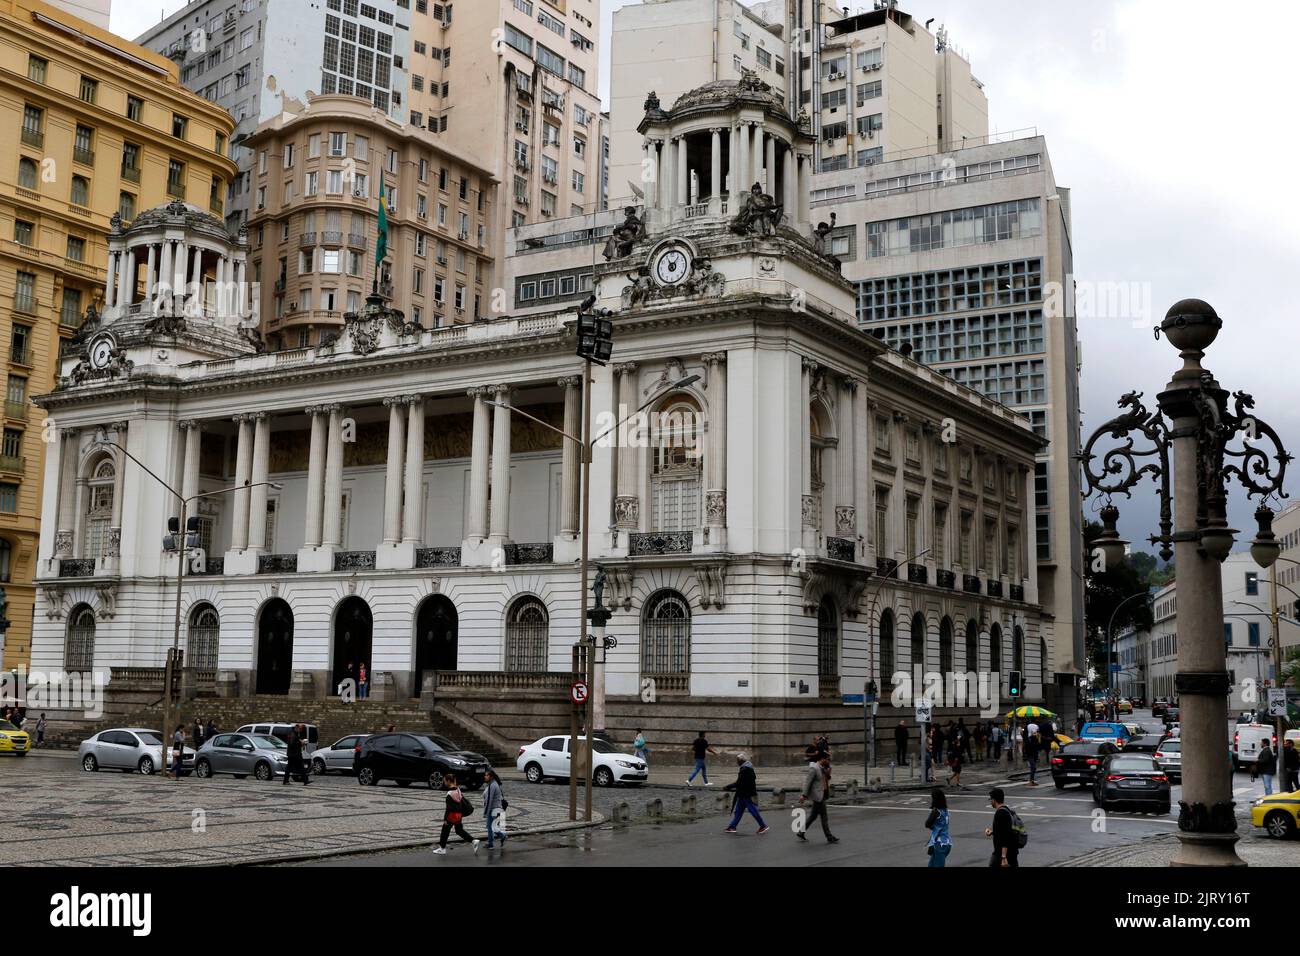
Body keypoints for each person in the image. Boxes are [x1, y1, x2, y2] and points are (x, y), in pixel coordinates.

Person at [433, 774, 480, 855]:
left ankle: (442, 848)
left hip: (451, 816)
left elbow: (449, 808)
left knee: (445, 831)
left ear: (448, 781)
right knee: (459, 830)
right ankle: (473, 840)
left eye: (445, 781)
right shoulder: (458, 790)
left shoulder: (450, 793)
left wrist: (445, 819)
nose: (444, 783)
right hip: (459, 815)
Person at [722, 753, 769, 834]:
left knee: (752, 810)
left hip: (745, 793)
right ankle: (732, 827)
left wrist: (728, 787)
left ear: (741, 761)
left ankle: (763, 825)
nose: (737, 762)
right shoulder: (748, 768)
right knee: (738, 811)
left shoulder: (744, 770)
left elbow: (738, 783)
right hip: (744, 793)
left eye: (737, 761)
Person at [797, 752, 838, 843]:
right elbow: (808, 782)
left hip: (821, 795)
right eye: (828, 759)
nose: (829, 761)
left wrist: (828, 772)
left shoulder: (822, 768)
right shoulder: (814, 768)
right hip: (818, 796)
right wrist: (804, 795)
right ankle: (829, 836)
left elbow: (827, 778)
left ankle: (801, 832)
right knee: (824, 817)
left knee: (813, 816)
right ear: (823, 759)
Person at [985, 788, 1020, 868]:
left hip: (1003, 853)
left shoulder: (1000, 813)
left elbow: (1005, 836)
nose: (991, 802)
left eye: (991, 799)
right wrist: (993, 832)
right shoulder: (1007, 810)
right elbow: (1005, 830)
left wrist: (1003, 857)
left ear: (994, 800)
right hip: (1012, 851)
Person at [925, 788, 952, 866]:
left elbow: (927, 824)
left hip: (939, 844)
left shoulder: (936, 811)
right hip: (947, 843)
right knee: (931, 865)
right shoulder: (945, 810)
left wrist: (933, 827)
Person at [483, 768, 508, 850]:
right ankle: (501, 837)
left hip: (493, 809)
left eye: (487, 775)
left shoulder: (492, 785)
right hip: (495, 808)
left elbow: (489, 800)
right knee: (492, 827)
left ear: (491, 777)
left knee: (490, 827)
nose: (485, 776)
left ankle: (491, 844)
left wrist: (486, 812)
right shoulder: (492, 784)